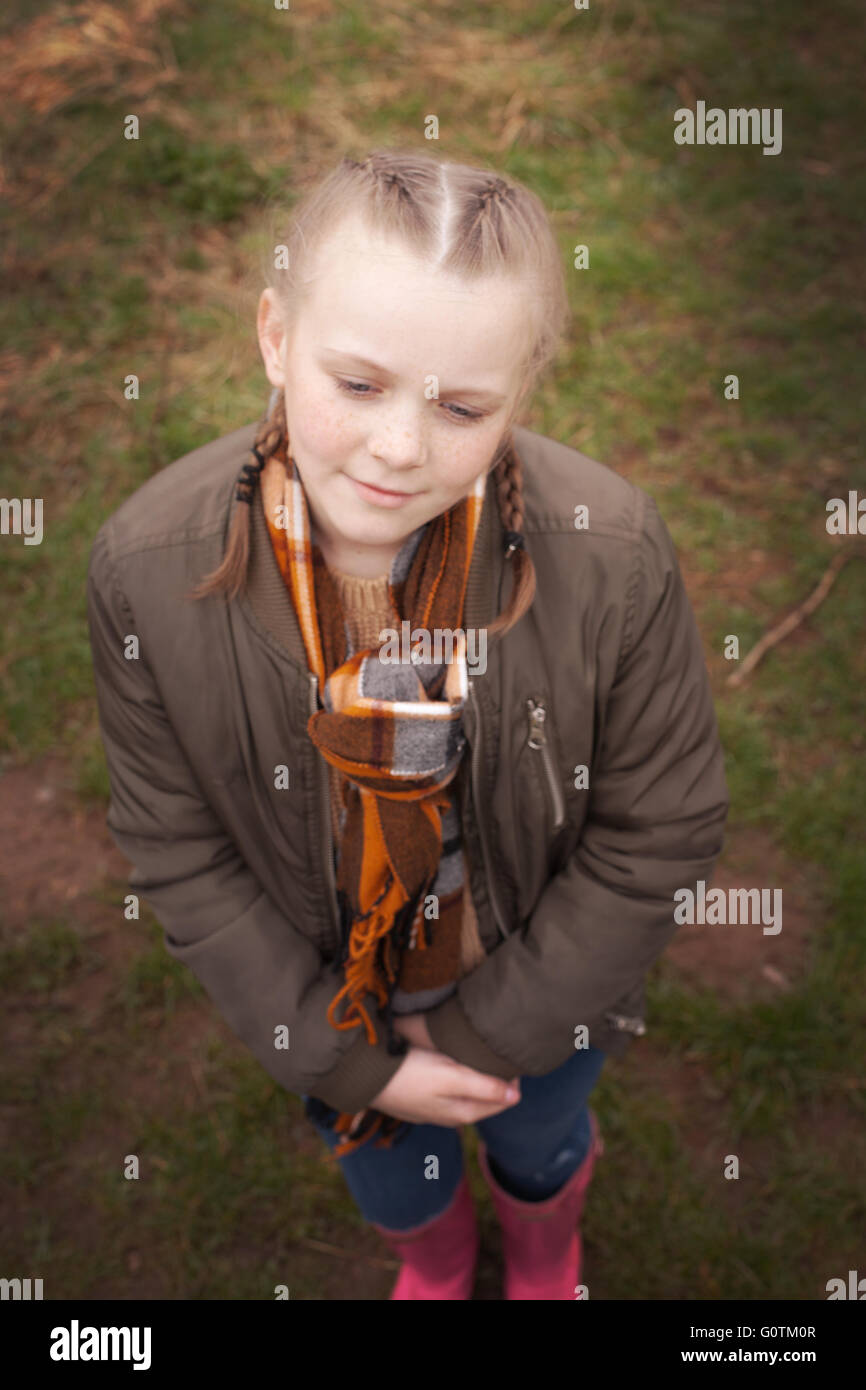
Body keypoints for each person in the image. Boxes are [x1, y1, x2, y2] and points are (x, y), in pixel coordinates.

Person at [86, 148, 729, 1301]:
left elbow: (660, 832)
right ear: (275, 337)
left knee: (536, 1140)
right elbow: (178, 846)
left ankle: (542, 1246)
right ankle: (433, 1265)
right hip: (331, 1002)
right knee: (395, 1182)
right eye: (359, 383)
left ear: (519, 397)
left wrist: (487, 1037)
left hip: (542, 984)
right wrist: (348, 1063)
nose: (397, 447)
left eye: (462, 407)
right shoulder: (144, 568)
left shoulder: (613, 553)